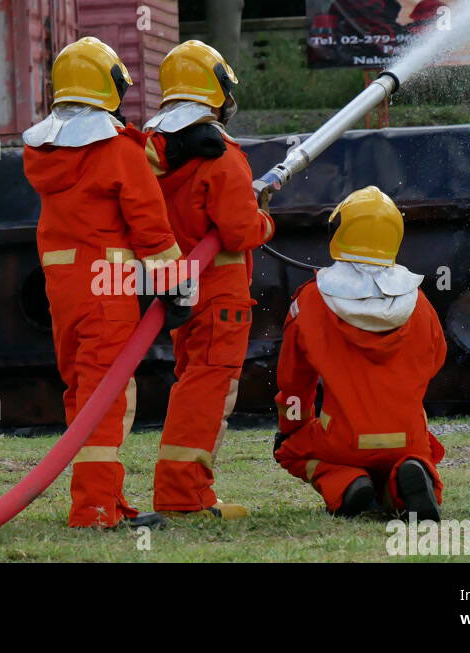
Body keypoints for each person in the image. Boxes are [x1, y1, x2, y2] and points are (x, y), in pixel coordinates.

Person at [22, 37, 184, 529]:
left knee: (84, 390)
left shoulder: (43, 151)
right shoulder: (117, 149)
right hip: (109, 288)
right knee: (109, 394)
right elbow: (149, 223)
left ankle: (101, 501)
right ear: (109, 86)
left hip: (64, 290)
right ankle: (94, 509)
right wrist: (177, 283)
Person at [143, 40, 275, 519]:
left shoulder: (150, 154)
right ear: (217, 90)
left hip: (180, 294)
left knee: (190, 383)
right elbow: (239, 232)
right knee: (209, 388)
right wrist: (265, 219)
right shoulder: (222, 156)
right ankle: (184, 497)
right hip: (220, 295)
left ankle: (181, 492)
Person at [272, 186, 447, 521]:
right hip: (407, 436)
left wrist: (290, 428)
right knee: (412, 454)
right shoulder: (419, 302)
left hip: (339, 438)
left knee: (289, 452)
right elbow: (434, 360)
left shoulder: (310, 300)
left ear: (337, 231)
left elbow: (294, 382)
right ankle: (404, 480)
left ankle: (346, 482)